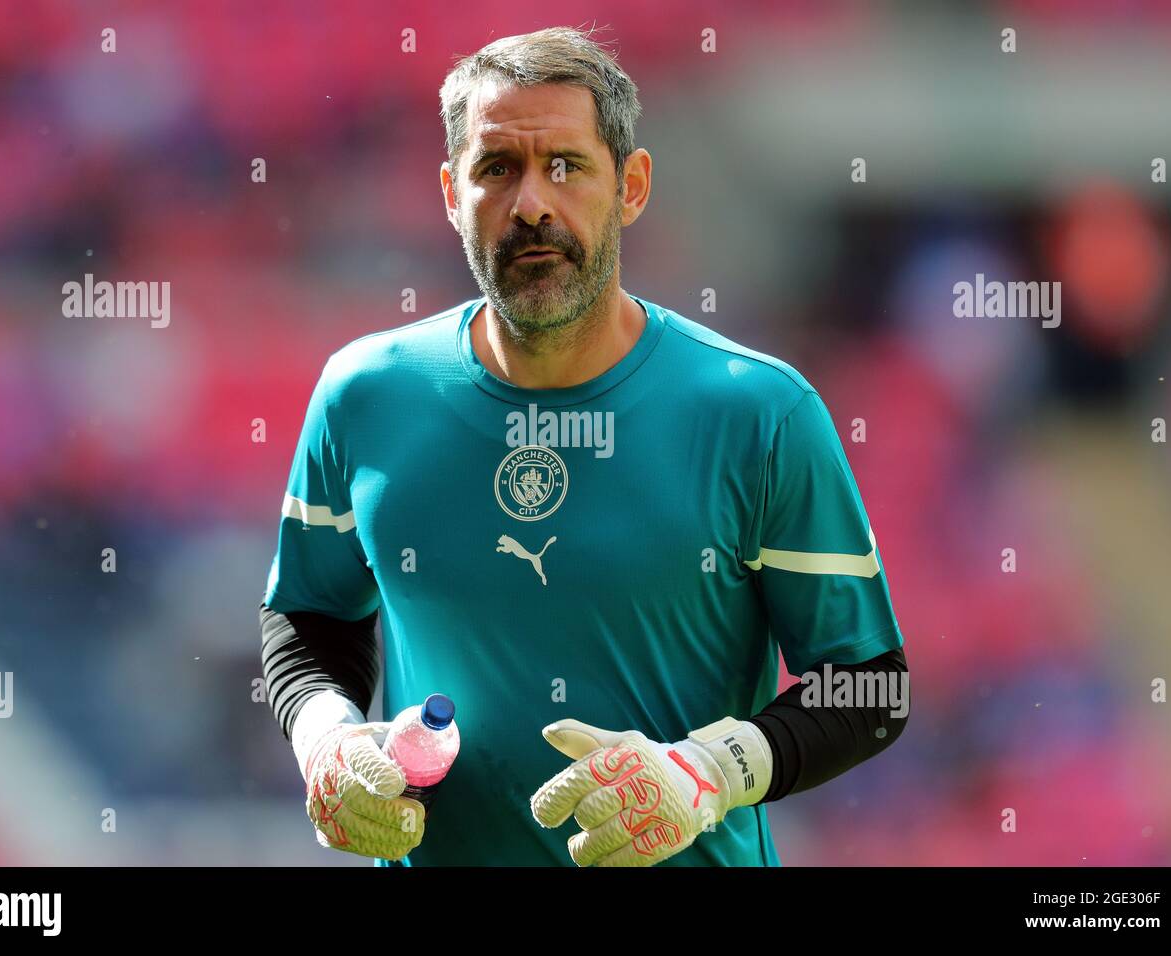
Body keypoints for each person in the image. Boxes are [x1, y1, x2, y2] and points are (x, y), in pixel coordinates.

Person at [260, 25, 908, 867]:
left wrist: (707, 770)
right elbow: (307, 616)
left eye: (565, 166)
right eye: (498, 169)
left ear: (631, 186)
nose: (533, 203)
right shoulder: (365, 394)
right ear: (452, 192)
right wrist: (328, 744)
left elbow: (869, 688)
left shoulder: (760, 413)